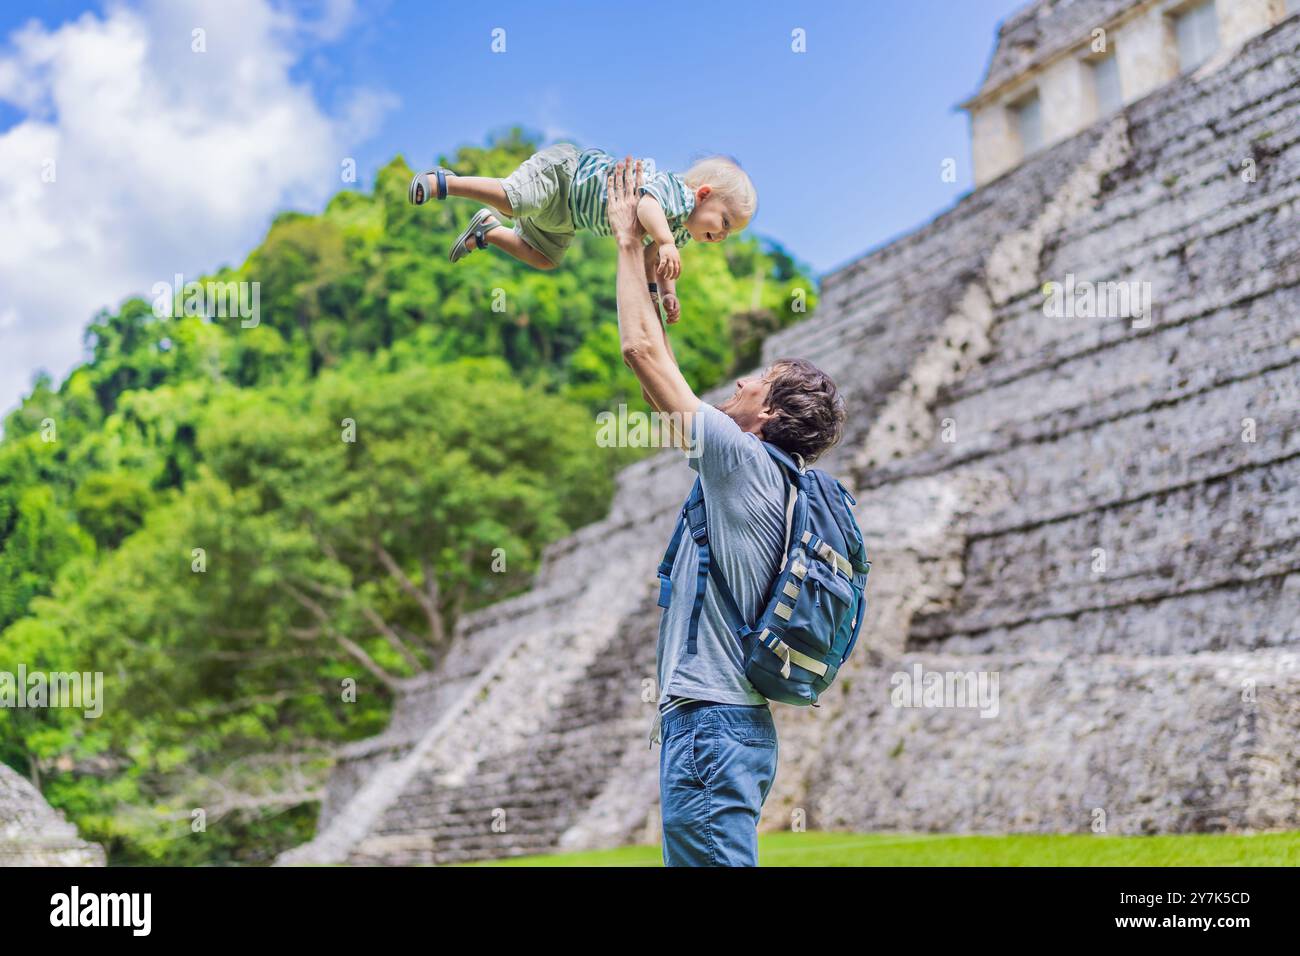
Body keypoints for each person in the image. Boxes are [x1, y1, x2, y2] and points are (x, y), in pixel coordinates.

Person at [604, 157, 845, 867]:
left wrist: (624, 240)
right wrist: (651, 279)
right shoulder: (769, 473)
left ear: (766, 414)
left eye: (757, 380)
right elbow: (662, 379)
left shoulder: (741, 462)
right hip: (723, 724)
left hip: (710, 726)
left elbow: (639, 352)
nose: (740, 379)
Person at [409, 144, 757, 323]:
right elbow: (646, 205)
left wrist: (666, 294)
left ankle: (488, 231)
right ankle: (447, 182)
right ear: (704, 194)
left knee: (543, 258)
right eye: (725, 222)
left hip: (568, 216)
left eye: (731, 232)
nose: (723, 235)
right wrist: (665, 242)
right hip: (566, 175)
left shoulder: (678, 233)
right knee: (515, 199)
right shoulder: (674, 192)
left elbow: (652, 262)